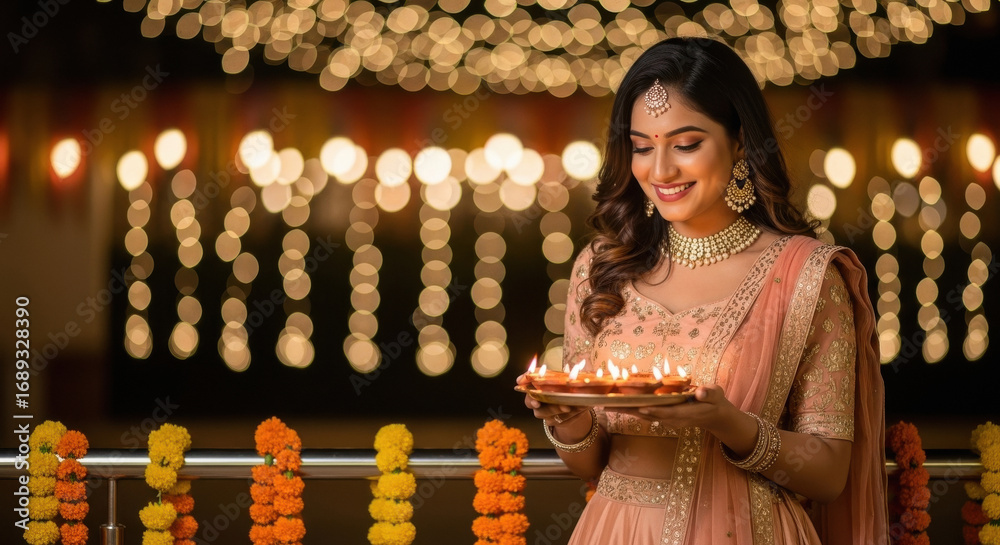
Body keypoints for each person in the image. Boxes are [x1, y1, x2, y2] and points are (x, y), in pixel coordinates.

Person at [518, 37, 888, 545]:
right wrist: (570, 419)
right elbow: (589, 464)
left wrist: (730, 423)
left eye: (686, 144)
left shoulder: (805, 275)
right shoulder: (601, 269)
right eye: (642, 147)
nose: (660, 170)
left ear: (740, 142)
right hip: (616, 531)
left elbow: (829, 475)